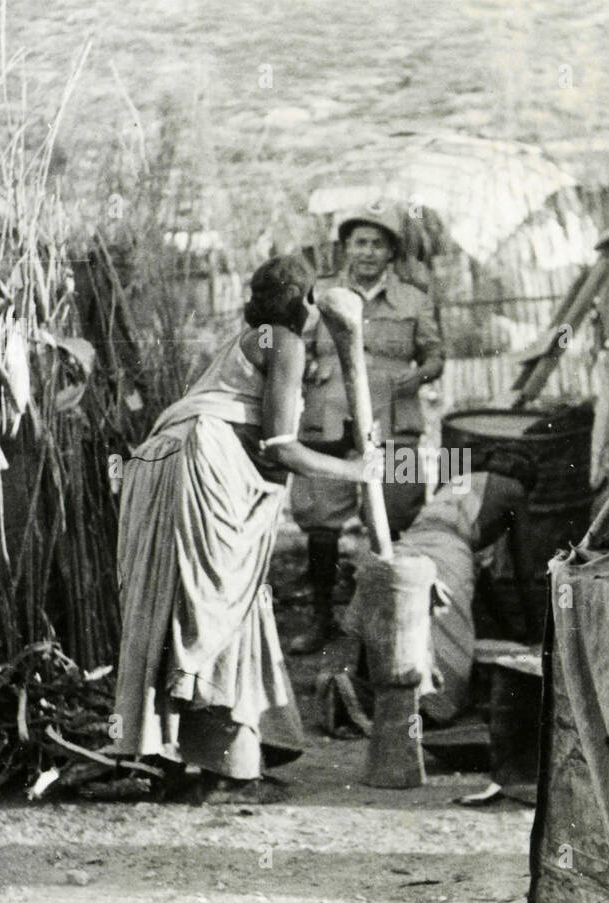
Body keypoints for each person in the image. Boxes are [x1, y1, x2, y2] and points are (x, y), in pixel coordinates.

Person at [108, 255, 375, 801]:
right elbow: (281, 449)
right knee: (219, 607)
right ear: (304, 301)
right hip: (199, 468)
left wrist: (341, 450)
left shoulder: (251, 339)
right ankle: (216, 770)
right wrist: (355, 469)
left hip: (162, 464)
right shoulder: (286, 341)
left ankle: (197, 763)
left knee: (189, 606)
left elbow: (256, 433)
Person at [288, 201, 446, 654]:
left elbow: (435, 357)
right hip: (329, 420)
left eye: (378, 244)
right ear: (346, 249)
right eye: (360, 243)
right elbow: (291, 348)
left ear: (391, 252)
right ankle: (323, 618)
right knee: (320, 520)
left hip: (392, 421)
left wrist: (415, 377)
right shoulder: (318, 296)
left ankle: (386, 619)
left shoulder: (414, 299)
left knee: (396, 518)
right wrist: (308, 368)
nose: (368, 252)